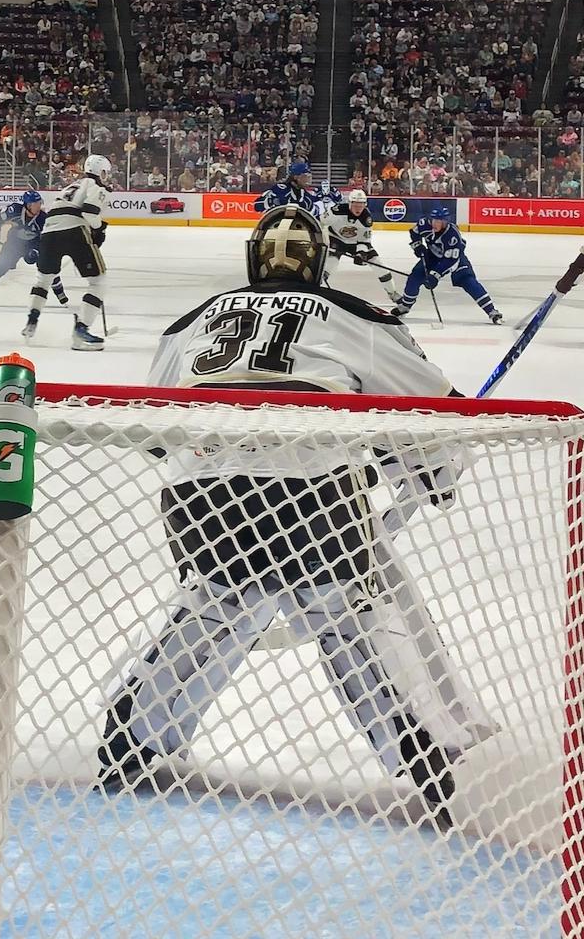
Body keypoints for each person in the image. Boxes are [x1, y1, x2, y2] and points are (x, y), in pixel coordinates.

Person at [97, 205, 487, 824]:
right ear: (320, 261)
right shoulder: (354, 316)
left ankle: (132, 736)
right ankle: (421, 750)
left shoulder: (188, 323)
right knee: (345, 614)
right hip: (310, 495)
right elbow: (435, 408)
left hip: (203, 497)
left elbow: (155, 431)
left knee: (219, 605)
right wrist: (435, 471)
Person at [24, 154, 112, 350]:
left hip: (49, 231)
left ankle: (31, 321)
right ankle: (81, 331)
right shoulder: (97, 188)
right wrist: (99, 228)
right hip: (73, 230)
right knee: (98, 281)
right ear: (101, 172)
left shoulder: (70, 187)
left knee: (43, 280)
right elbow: (89, 212)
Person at [395, 206, 502, 324]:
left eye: (439, 221)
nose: (435, 223)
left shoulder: (452, 235)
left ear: (445, 222)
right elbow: (414, 233)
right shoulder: (424, 223)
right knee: (415, 276)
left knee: (468, 281)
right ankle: (405, 306)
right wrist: (418, 246)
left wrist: (435, 275)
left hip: (455, 259)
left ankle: (492, 311)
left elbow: (451, 261)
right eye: (434, 220)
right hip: (432, 257)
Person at [0, 190, 67, 306]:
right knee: (1, 265)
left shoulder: (43, 218)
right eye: (36, 204)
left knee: (46, 266)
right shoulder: (14, 210)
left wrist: (37, 250)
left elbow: (47, 238)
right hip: (14, 243)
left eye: (40, 203)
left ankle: (60, 293)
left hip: (33, 244)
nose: (39, 206)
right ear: (28, 205)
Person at [320, 189, 401, 301]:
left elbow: (364, 240)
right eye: (355, 204)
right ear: (350, 203)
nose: (358, 208)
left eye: (361, 205)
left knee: (377, 263)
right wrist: (322, 240)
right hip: (336, 239)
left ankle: (393, 293)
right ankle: (318, 286)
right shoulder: (336, 211)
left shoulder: (366, 218)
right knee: (329, 264)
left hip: (355, 243)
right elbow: (320, 223)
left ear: (365, 204)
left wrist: (360, 254)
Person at [255, 159, 331, 214]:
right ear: (295, 177)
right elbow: (257, 205)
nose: (308, 178)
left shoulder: (305, 195)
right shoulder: (280, 189)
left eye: (309, 176)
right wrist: (272, 201)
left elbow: (316, 212)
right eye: (305, 175)